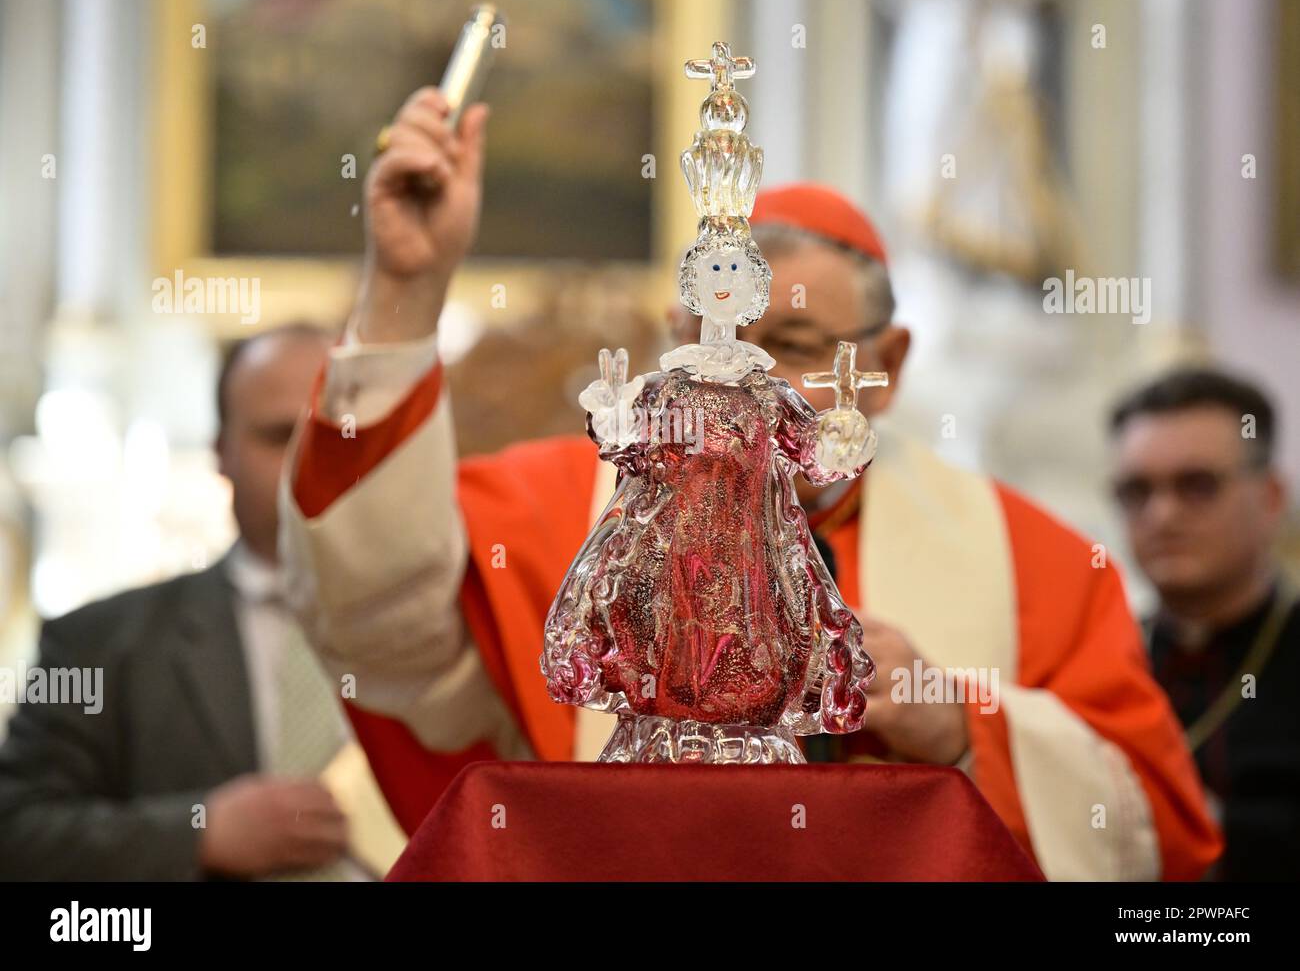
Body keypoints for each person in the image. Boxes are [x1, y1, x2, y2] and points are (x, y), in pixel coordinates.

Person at [281, 86, 1221, 880]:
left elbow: (1162, 834)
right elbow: (371, 611)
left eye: (798, 347)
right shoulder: (542, 512)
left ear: (886, 365)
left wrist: (963, 724)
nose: (747, 368)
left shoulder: (1034, 564)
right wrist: (404, 292)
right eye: (715, 331)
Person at [0, 325, 367, 880]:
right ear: (222, 452)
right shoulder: (99, 642)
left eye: (336, 437)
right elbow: (18, 836)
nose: (310, 463)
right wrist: (199, 832)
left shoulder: (454, 634)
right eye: (278, 435)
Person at [1109, 367, 1298, 880]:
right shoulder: (1095, 654)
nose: (1163, 515)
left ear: (1271, 498)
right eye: (1137, 491)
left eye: (1197, 486)